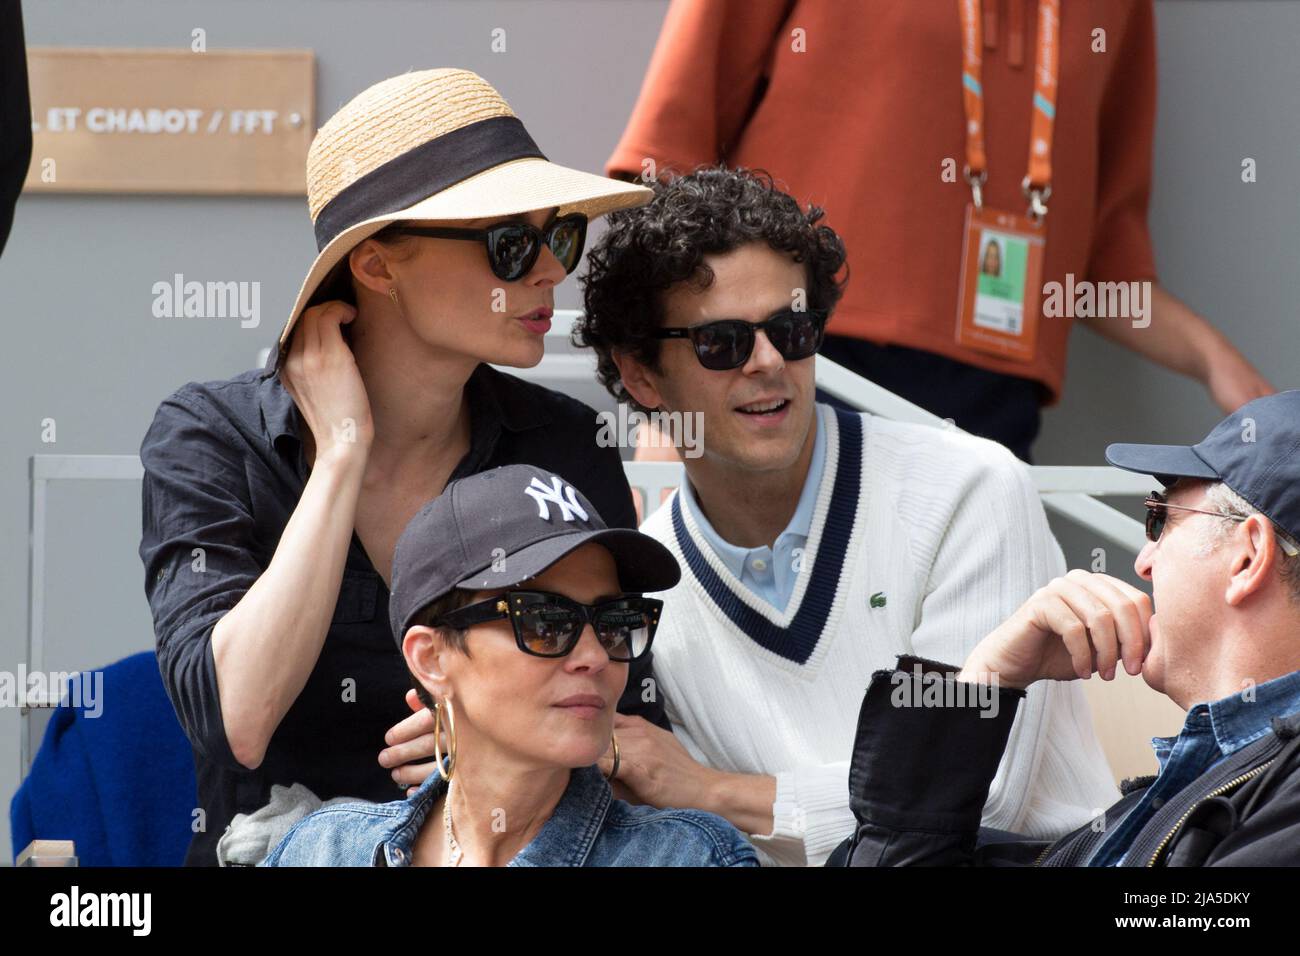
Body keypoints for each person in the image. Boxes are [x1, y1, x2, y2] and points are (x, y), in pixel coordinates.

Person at [137, 68, 667, 866]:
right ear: (379, 266)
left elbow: (624, 698)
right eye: (510, 244)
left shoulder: (562, 441)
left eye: (560, 237)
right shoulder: (213, 437)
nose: (551, 271)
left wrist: (502, 739)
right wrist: (341, 456)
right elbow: (236, 723)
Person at [573, 166, 1117, 867]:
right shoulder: (641, 586)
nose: (769, 363)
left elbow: (976, 796)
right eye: (723, 343)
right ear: (642, 375)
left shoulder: (970, 487)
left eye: (793, 330)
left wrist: (711, 791)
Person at [606, 0, 1272, 461]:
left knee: (963, 659)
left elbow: (1102, 272)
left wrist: (1223, 368)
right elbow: (667, 164)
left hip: (992, 409)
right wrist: (671, 393)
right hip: (792, 361)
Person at [843, 390, 1300, 866]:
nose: (1144, 562)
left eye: (1159, 520)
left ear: (1247, 556)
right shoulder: (1218, 777)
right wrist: (983, 683)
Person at [262, 465, 759, 867]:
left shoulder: (688, 856)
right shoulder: (324, 849)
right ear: (431, 659)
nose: (593, 657)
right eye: (544, 622)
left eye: (614, 621)